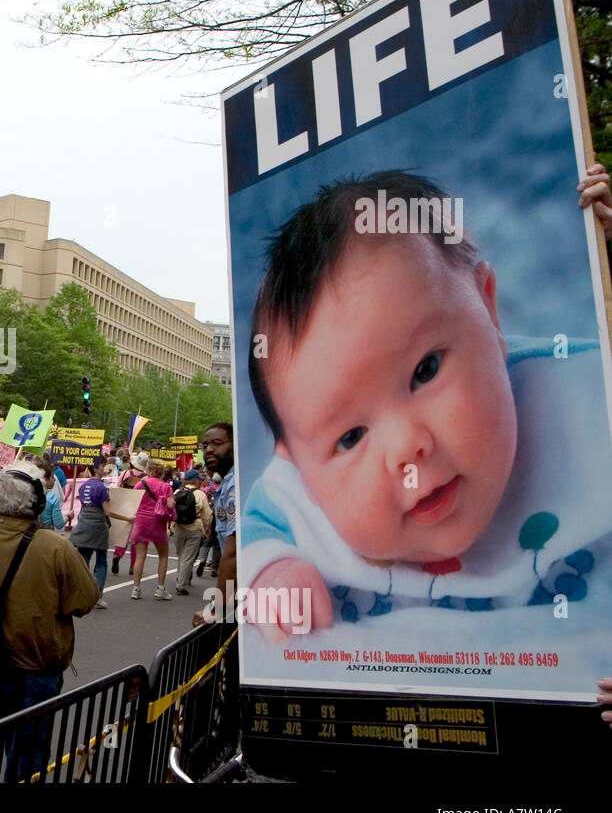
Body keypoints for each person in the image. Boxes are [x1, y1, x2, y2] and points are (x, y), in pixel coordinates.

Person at [238, 170, 612, 638]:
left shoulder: (585, 395)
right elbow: (262, 529)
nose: (407, 448)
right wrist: (273, 574)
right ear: (297, 466)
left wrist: (606, 253)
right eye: (351, 437)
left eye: (426, 370)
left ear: (489, 313)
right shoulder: (292, 500)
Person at [0, 460, 100, 782]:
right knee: (27, 752)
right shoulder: (56, 547)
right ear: (38, 502)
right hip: (34, 667)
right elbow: (84, 600)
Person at [68, 461, 130, 609]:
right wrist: (127, 518)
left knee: (83, 561)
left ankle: (80, 594)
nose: (104, 469)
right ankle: (97, 596)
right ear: (95, 469)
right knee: (101, 561)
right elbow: (107, 512)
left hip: (84, 524)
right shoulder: (101, 487)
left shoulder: (84, 486)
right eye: (101, 466)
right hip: (98, 526)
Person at [196, 423, 236, 628]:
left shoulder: (236, 484)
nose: (209, 449)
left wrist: (219, 609)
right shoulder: (227, 484)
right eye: (205, 445)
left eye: (217, 443)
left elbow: (235, 554)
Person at [127, 455, 175, 601]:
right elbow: (171, 505)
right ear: (161, 472)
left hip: (141, 522)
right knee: (163, 555)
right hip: (157, 523)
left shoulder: (140, 484)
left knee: (140, 556)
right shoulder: (165, 486)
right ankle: (160, 589)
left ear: (148, 470)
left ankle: (136, 589)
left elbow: (132, 502)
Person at [170, 468, 212, 595]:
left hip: (179, 527)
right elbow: (207, 515)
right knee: (188, 557)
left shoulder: (177, 491)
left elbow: (172, 510)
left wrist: (171, 526)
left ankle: (181, 577)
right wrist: (206, 528)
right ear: (196, 480)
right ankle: (181, 584)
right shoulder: (201, 494)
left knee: (181, 555)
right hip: (194, 527)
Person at [30, 455, 66, 533]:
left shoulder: (28, 495)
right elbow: (59, 524)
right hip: (46, 537)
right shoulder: (52, 498)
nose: (55, 480)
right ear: (46, 479)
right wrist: (68, 516)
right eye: (52, 477)